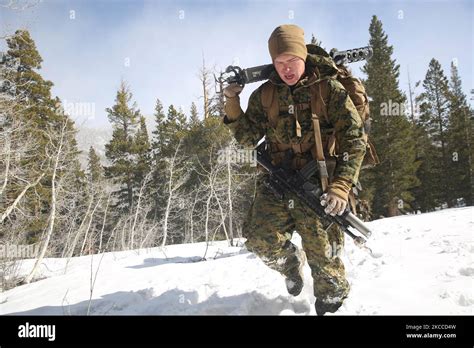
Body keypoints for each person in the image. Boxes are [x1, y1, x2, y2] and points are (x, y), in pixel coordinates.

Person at [222, 24, 367, 315]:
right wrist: (231, 101)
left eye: (293, 61)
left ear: (304, 57)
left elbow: (355, 139)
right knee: (260, 239)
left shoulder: (330, 89)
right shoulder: (265, 95)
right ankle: (291, 265)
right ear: (272, 64)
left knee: (326, 262)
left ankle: (332, 302)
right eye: (280, 63)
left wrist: (341, 186)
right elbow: (248, 138)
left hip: (322, 184)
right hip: (279, 179)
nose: (287, 69)